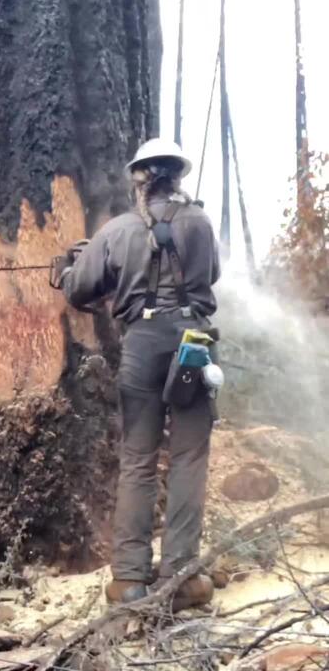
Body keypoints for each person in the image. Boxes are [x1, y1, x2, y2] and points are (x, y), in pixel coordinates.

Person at [58, 138, 221, 610]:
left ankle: (129, 578)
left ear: (138, 179)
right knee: (189, 458)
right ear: (178, 176)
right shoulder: (201, 222)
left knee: (138, 460)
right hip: (195, 343)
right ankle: (183, 579)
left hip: (142, 345)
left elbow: (79, 289)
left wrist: (72, 264)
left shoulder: (117, 230)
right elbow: (210, 274)